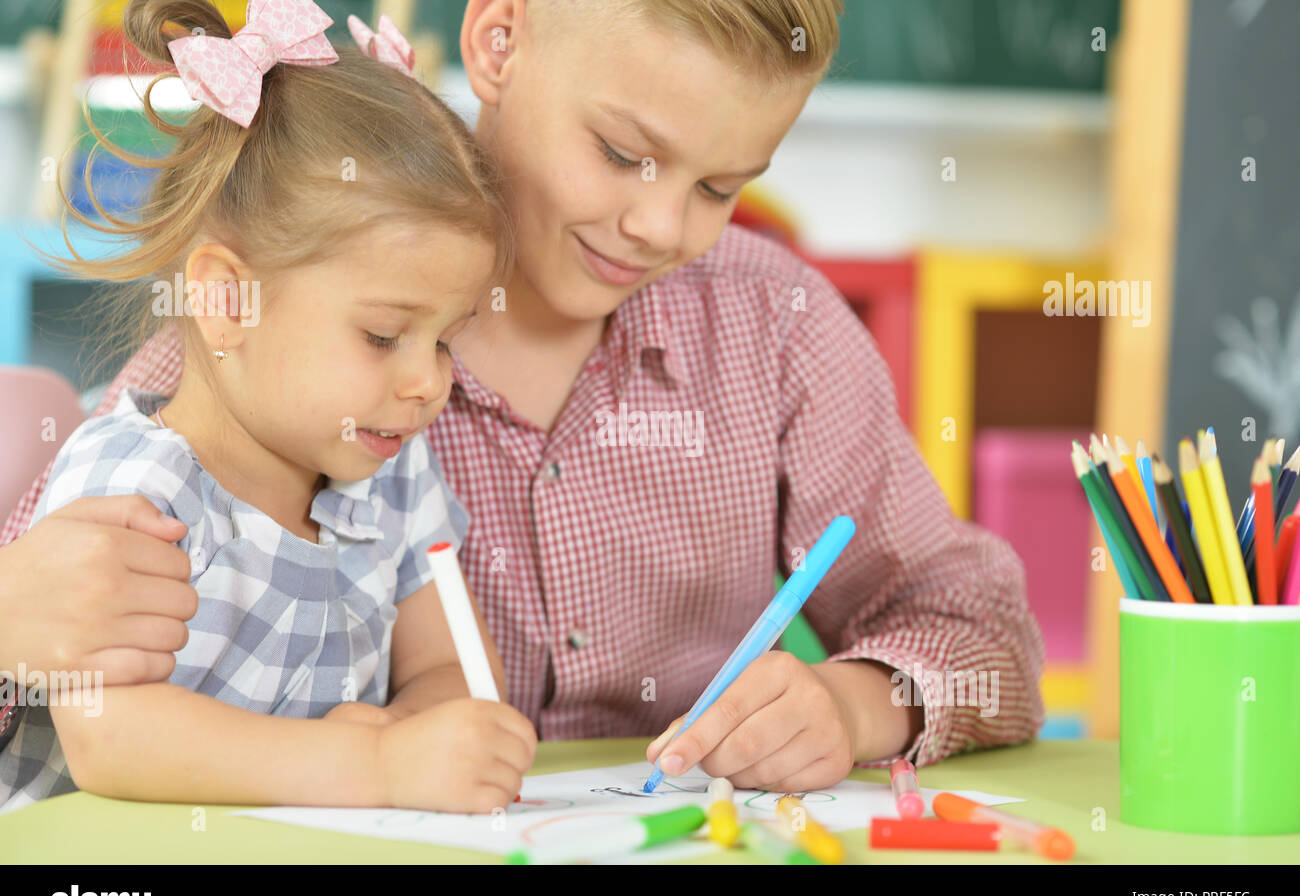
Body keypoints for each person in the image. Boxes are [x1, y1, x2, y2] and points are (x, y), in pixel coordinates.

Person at [2, 0, 1043, 798]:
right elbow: (53, 642)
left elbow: (982, 627)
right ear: (499, 40)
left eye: (718, 187)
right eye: (623, 152)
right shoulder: (302, 296)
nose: (660, 226)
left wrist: (856, 707)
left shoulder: (778, 332)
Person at [0, 0, 536, 815]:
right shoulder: (140, 482)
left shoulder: (392, 470)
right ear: (227, 301)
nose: (430, 382)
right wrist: (376, 765)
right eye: (386, 335)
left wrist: (430, 731)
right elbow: (110, 733)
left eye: (447, 340)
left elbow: (453, 662)